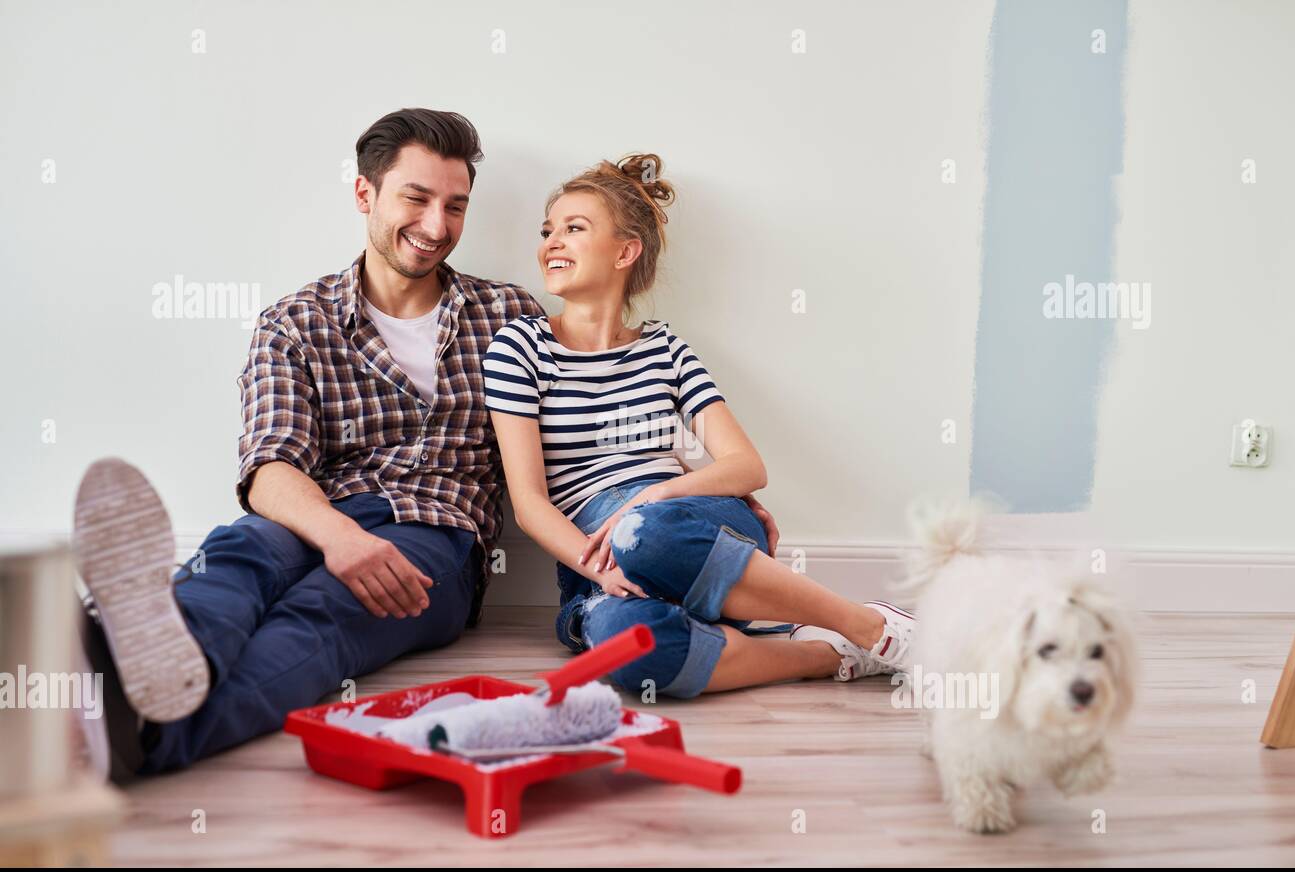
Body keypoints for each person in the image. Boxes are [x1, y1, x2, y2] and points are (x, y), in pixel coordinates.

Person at [75, 108, 543, 780]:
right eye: (415, 198)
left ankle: (143, 730)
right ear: (365, 194)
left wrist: (682, 497)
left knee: (320, 613)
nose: (436, 226)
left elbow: (572, 430)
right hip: (314, 511)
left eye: (455, 206)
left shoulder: (508, 316)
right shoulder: (296, 322)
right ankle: (141, 668)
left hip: (436, 533)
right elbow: (270, 469)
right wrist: (338, 534)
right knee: (240, 552)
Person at [483, 154, 915, 700]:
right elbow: (529, 503)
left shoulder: (665, 348)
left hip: (685, 521)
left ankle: (869, 628)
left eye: (574, 229)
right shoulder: (519, 347)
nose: (552, 242)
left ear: (625, 250)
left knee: (647, 531)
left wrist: (658, 495)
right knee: (630, 642)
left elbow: (745, 466)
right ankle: (819, 655)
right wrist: (598, 570)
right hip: (593, 557)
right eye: (548, 231)